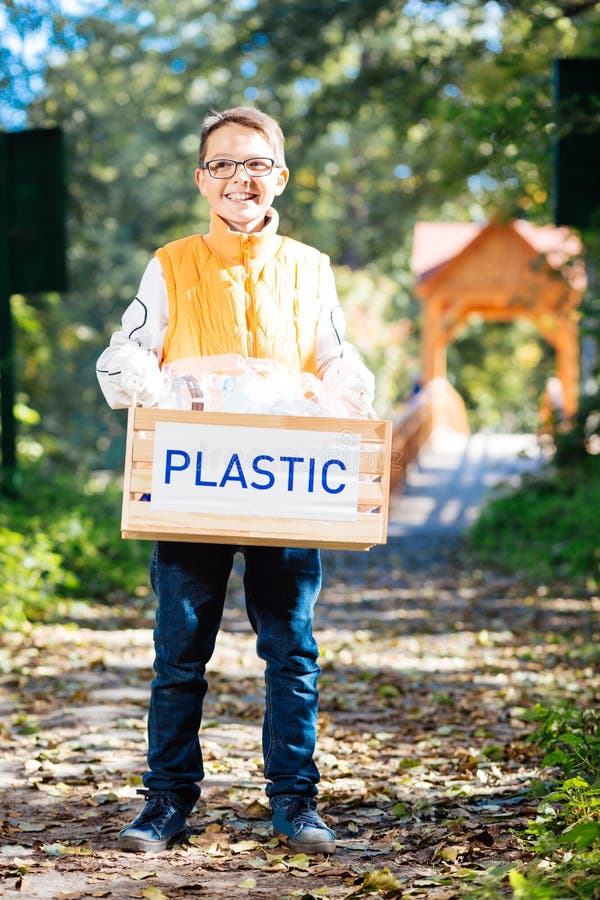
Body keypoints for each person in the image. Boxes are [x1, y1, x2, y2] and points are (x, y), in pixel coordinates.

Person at [96, 106, 375, 855]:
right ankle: (165, 804)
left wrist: (347, 394)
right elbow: (124, 358)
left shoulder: (310, 269)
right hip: (193, 483)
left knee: (292, 649)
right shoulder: (171, 263)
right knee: (179, 653)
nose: (238, 178)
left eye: (254, 164)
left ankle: (295, 802)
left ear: (278, 176)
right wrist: (155, 389)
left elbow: (339, 366)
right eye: (222, 164)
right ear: (201, 180)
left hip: (288, 489)